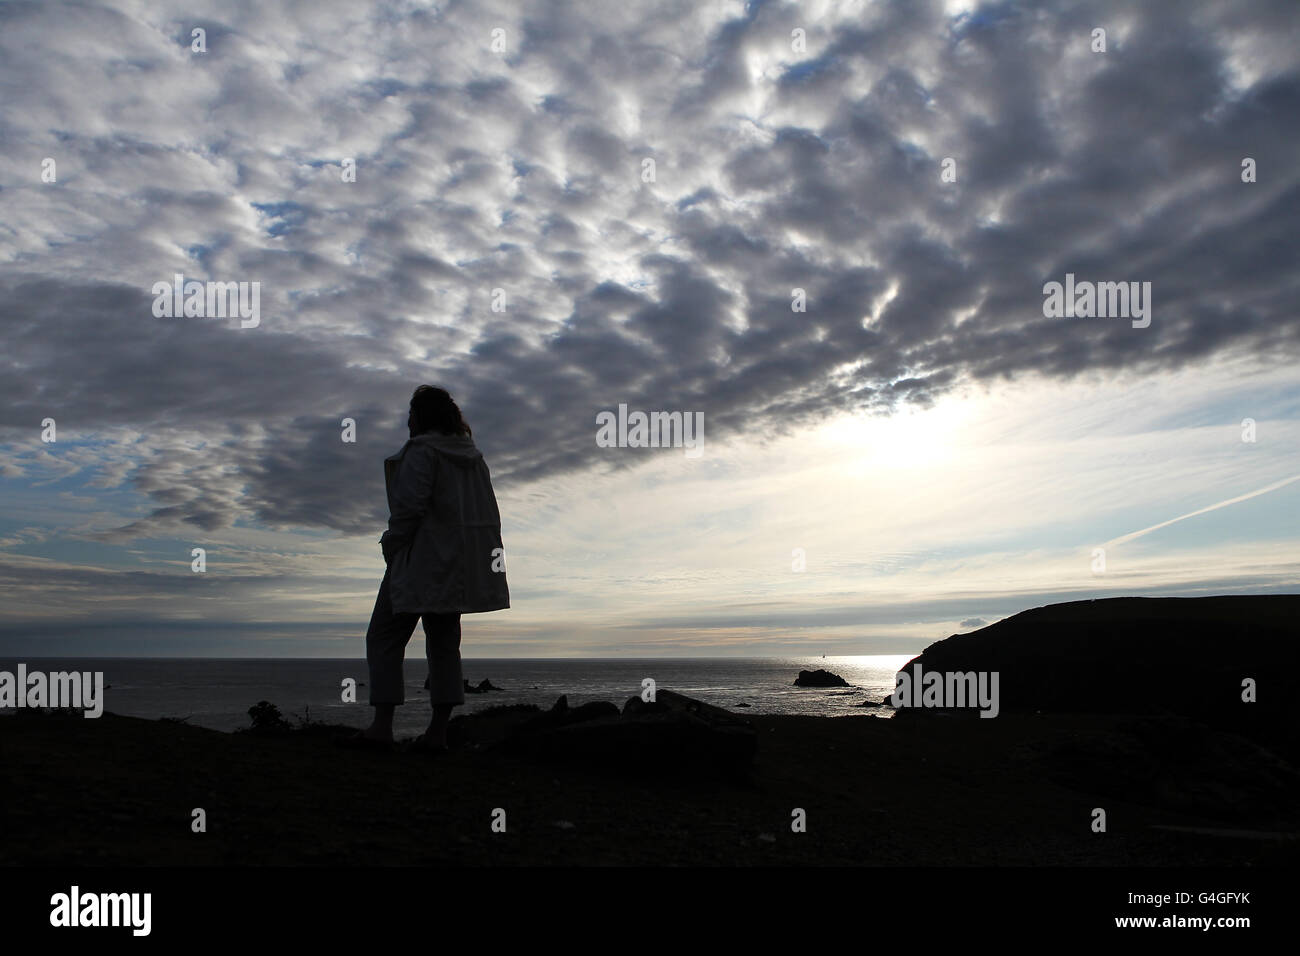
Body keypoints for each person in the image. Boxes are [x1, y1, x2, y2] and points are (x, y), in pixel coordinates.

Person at [340, 385, 510, 753]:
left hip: (418, 559)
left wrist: (391, 544)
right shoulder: (473, 457)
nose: (408, 420)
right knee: (445, 645)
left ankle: (382, 727)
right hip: (456, 566)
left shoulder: (423, 452)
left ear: (420, 417)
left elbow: (409, 508)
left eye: (411, 413)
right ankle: (437, 733)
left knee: (384, 637)